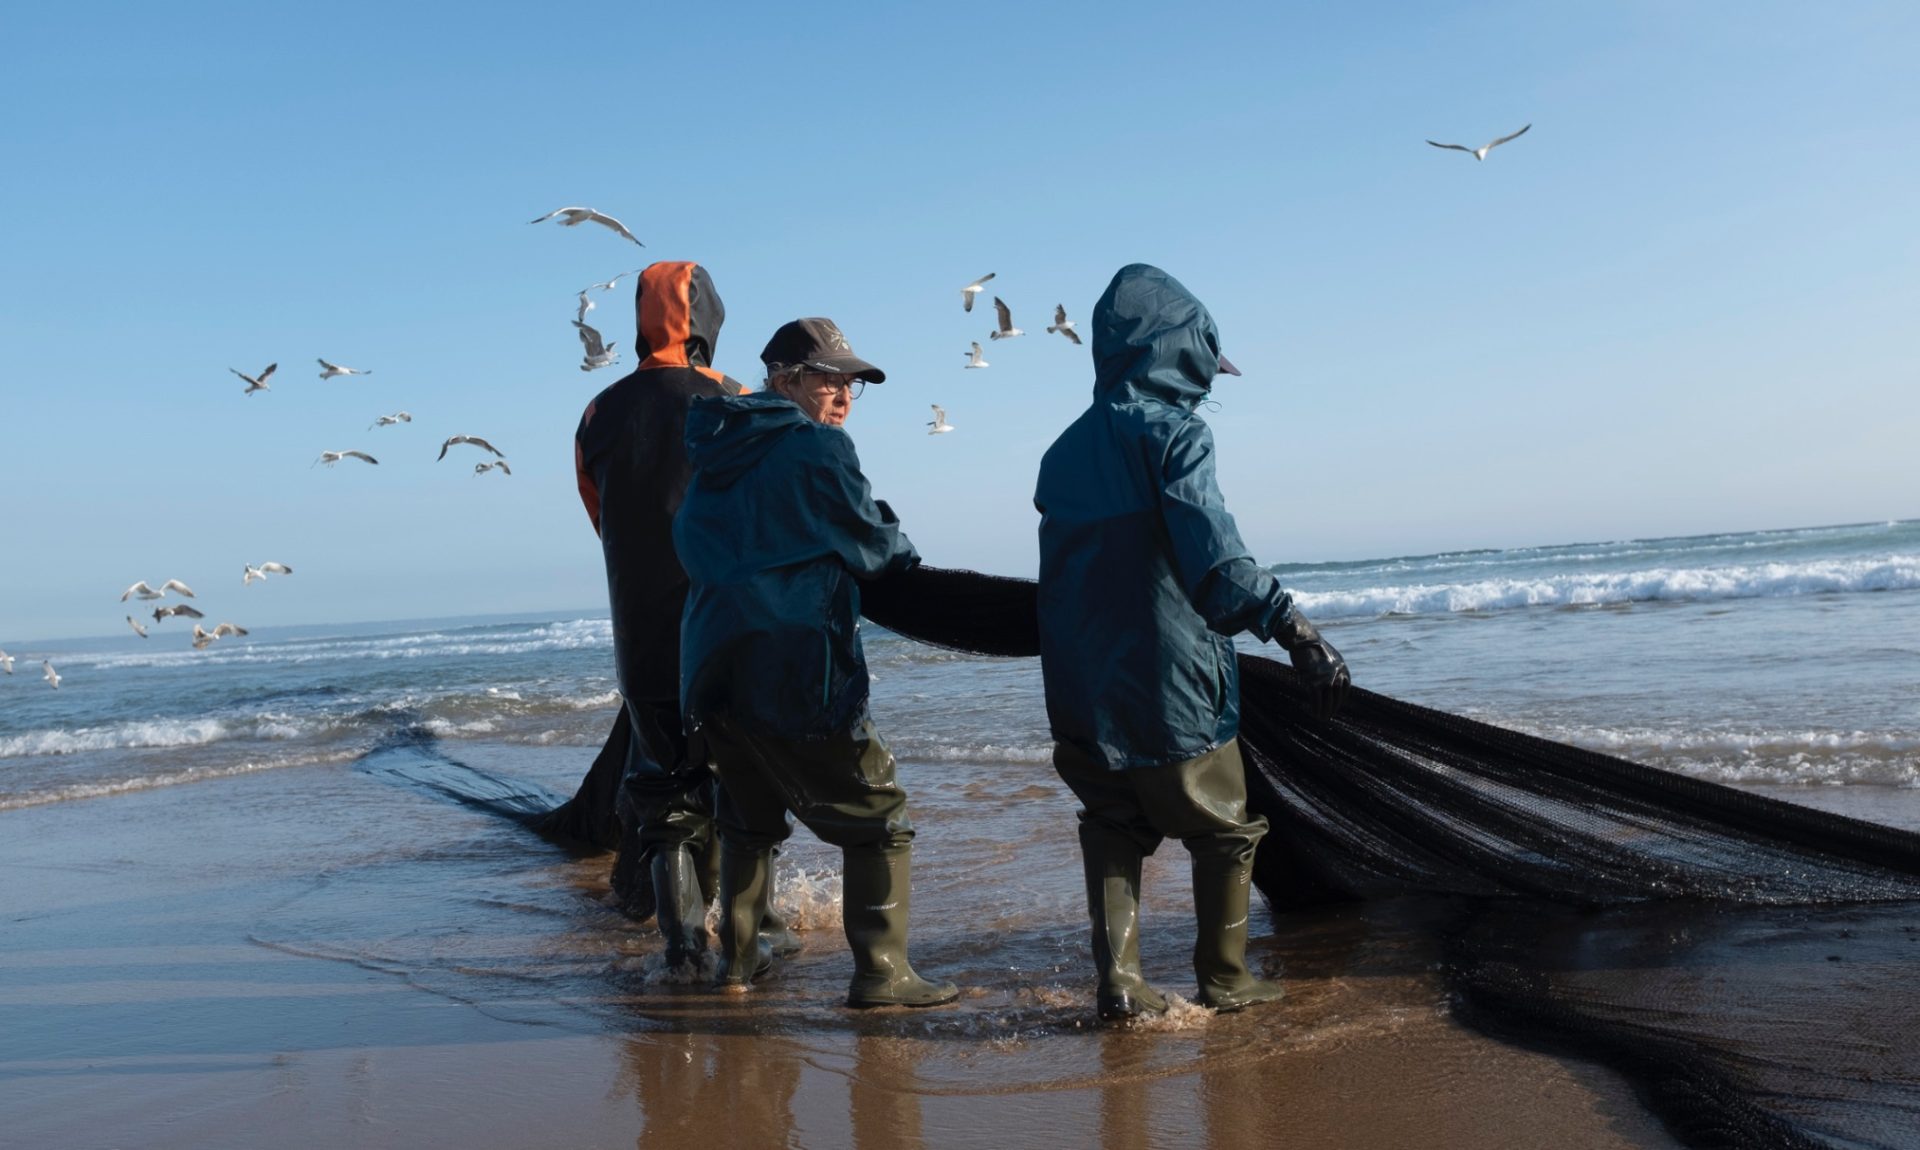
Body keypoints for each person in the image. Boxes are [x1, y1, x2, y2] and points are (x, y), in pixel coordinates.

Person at [1032, 263, 1350, 1022]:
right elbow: (1216, 561)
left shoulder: (1061, 452)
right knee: (1225, 832)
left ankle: (1120, 984)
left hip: (1078, 686)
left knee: (1111, 825)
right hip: (1169, 680)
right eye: (1206, 367)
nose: (1210, 385)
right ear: (1179, 353)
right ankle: (1225, 978)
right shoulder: (1176, 435)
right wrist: (1294, 628)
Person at [674, 317, 959, 1008]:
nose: (844, 396)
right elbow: (875, 547)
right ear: (784, 379)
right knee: (880, 814)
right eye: (830, 378)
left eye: (852, 383)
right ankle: (883, 976)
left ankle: (738, 965)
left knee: (747, 814)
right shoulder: (816, 449)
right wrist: (897, 541)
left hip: (711, 666)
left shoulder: (713, 450)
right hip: (794, 664)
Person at [572, 260, 795, 970]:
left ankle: (679, 947)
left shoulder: (599, 413)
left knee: (665, 790)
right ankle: (750, 930)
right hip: (724, 624)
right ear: (709, 322)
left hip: (639, 632)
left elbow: (598, 515)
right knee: (740, 779)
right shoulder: (732, 398)